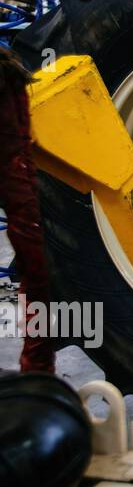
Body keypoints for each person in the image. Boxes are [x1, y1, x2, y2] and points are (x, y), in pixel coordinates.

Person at [0, 45, 53, 373]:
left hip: (13, 162)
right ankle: (38, 369)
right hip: (14, 165)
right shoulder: (10, 74)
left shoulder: (8, 77)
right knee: (37, 271)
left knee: (37, 269)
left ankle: (37, 371)